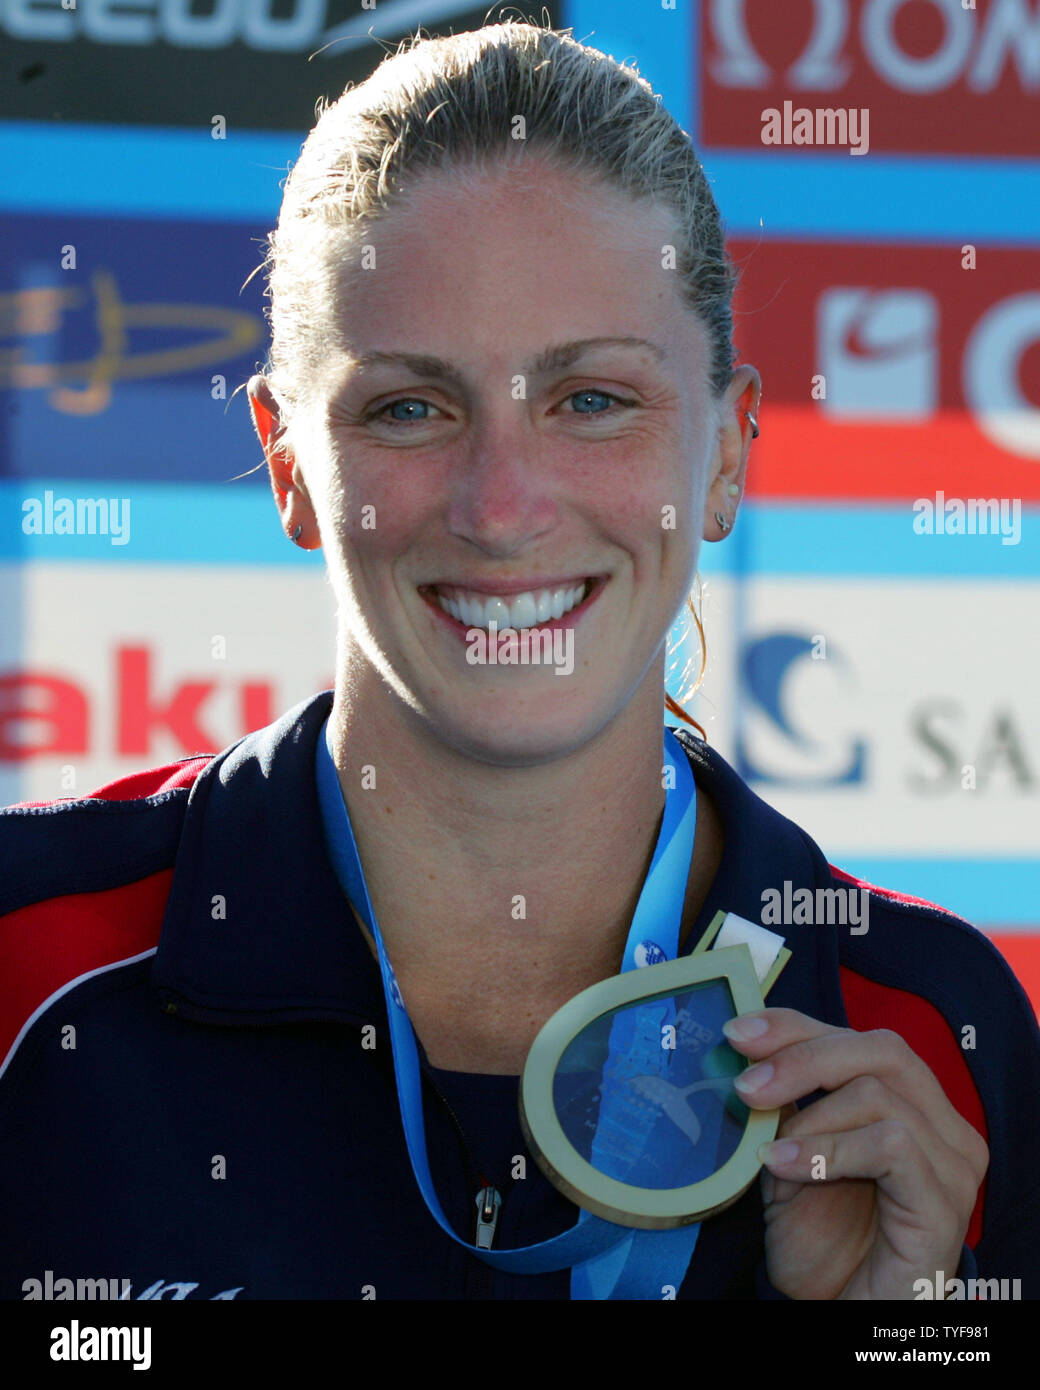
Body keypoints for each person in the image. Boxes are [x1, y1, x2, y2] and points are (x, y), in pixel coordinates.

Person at [2, 21, 1037, 1304]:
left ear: (723, 452)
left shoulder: (924, 1026)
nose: (500, 505)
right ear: (286, 463)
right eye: (409, 408)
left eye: (590, 399)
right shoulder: (26, 960)